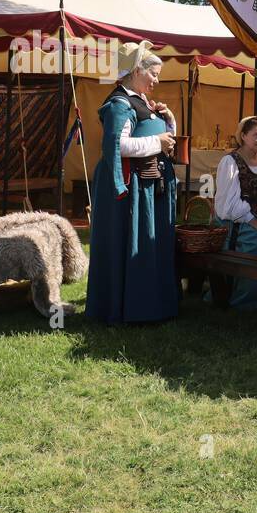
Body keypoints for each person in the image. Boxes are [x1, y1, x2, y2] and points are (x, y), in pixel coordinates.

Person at [85, 41, 179, 324]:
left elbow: (162, 141)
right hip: (133, 185)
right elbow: (116, 146)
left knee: (148, 244)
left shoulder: (140, 102)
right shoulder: (119, 104)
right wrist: (157, 141)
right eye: (153, 74)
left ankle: (152, 303)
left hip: (149, 184)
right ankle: (130, 307)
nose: (157, 80)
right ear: (137, 70)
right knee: (129, 244)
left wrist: (169, 122)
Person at [211, 115, 257, 309]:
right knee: (256, 247)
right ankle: (245, 301)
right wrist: (255, 222)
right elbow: (228, 203)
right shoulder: (230, 162)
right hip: (239, 222)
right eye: (256, 135)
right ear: (243, 136)